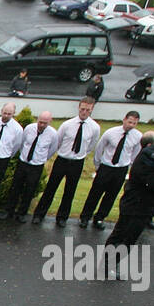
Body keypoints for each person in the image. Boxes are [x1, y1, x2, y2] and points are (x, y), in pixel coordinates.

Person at [33, 97, 100, 226]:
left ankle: (62, 217)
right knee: (51, 188)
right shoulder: (67, 124)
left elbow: (91, 145)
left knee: (70, 191)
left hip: (77, 162)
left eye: (87, 110)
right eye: (82, 109)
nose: (84, 112)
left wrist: (80, 155)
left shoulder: (95, 127)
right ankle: (39, 214)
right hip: (62, 160)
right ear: (78, 108)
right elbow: (58, 141)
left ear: (91, 110)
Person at [78, 110, 141, 230]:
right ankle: (85, 217)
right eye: (129, 122)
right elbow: (99, 149)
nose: (131, 125)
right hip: (106, 167)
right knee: (95, 194)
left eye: (134, 123)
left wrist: (127, 167)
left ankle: (100, 218)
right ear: (124, 119)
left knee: (110, 196)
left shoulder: (137, 137)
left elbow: (135, 154)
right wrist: (98, 166)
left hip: (120, 169)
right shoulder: (111, 132)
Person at [4, 111, 57, 222]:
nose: (41, 125)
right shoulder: (29, 128)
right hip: (23, 162)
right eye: (40, 122)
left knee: (29, 190)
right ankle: (9, 211)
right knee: (15, 187)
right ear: (37, 119)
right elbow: (22, 143)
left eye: (45, 123)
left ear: (50, 122)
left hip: (36, 166)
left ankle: (22, 213)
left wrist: (41, 158)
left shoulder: (53, 134)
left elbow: (52, 150)